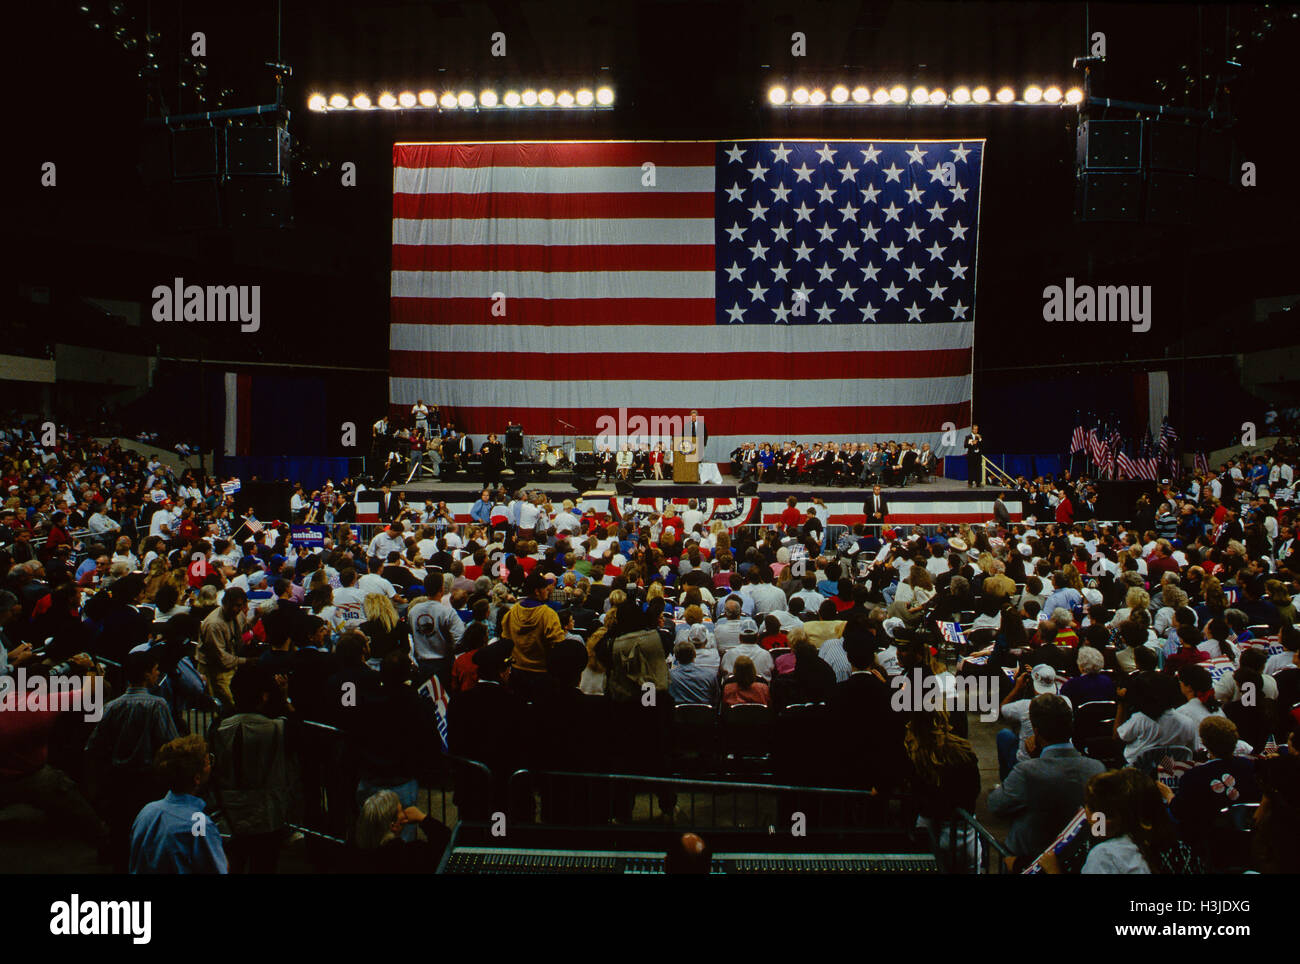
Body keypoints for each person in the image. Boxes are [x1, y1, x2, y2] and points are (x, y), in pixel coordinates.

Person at [84, 649, 180, 872]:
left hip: (117, 780)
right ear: (147, 674)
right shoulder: (158, 705)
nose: (158, 674)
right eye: (156, 670)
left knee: (121, 831)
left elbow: (93, 746)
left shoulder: (112, 706)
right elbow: (170, 744)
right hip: (148, 781)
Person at [987, 694, 1105, 864]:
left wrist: (1035, 761)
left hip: (1029, 858)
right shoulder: (1096, 768)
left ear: (1036, 732)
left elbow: (996, 804)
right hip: (1077, 856)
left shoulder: (1027, 771)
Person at [129, 734, 228, 874]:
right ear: (197, 778)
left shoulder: (147, 812)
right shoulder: (199, 824)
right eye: (207, 762)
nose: (210, 766)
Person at [501, 572, 567, 700]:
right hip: (541, 674)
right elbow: (558, 643)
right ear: (537, 591)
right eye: (544, 588)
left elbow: (505, 638)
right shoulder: (548, 614)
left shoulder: (513, 611)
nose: (548, 590)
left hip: (517, 671)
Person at [353, 789, 451, 872]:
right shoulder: (410, 856)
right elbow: (447, 843)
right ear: (394, 825)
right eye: (401, 810)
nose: (405, 812)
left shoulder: (357, 858)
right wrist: (423, 819)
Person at [197, 586, 258, 706]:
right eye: (232, 605)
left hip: (233, 662)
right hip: (216, 668)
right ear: (224, 603)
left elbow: (244, 631)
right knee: (232, 705)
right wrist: (246, 661)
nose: (235, 609)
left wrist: (256, 617)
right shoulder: (214, 624)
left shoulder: (239, 614)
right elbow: (221, 658)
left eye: (239, 606)